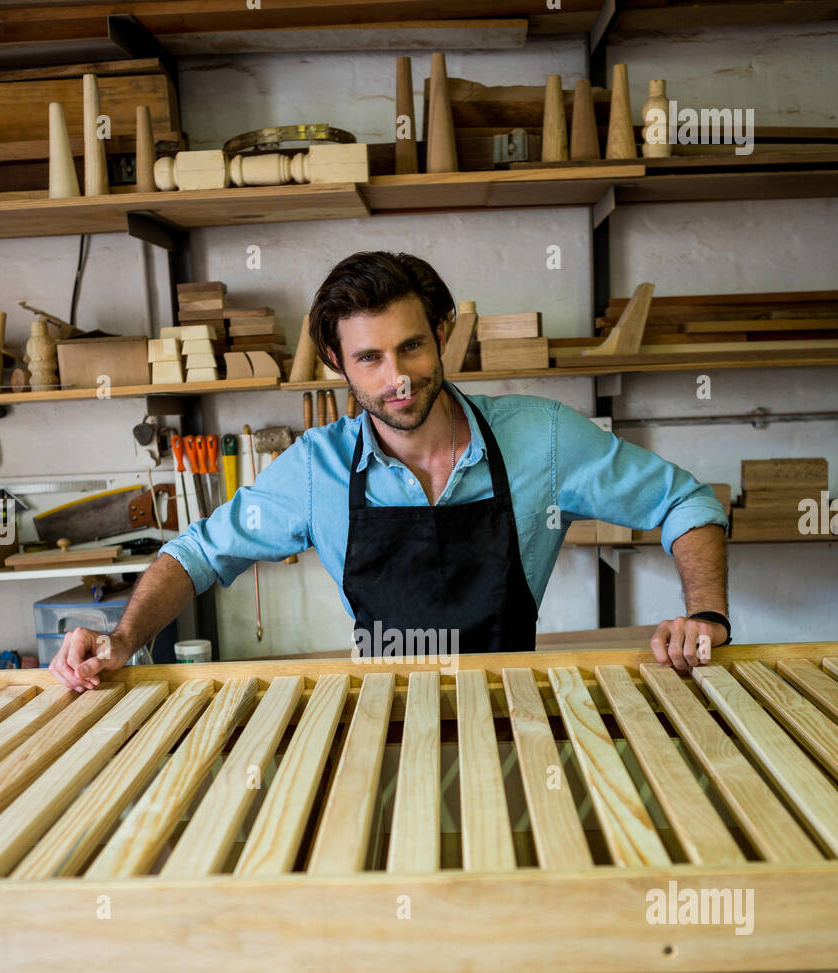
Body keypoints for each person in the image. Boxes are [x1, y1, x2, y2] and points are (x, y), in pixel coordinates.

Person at [49, 250, 730, 691]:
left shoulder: (543, 439)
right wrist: (121, 638)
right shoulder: (317, 470)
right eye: (369, 358)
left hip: (517, 715)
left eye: (410, 347)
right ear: (338, 364)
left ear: (441, 334)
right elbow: (196, 554)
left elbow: (687, 503)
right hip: (384, 722)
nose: (397, 378)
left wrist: (703, 613)